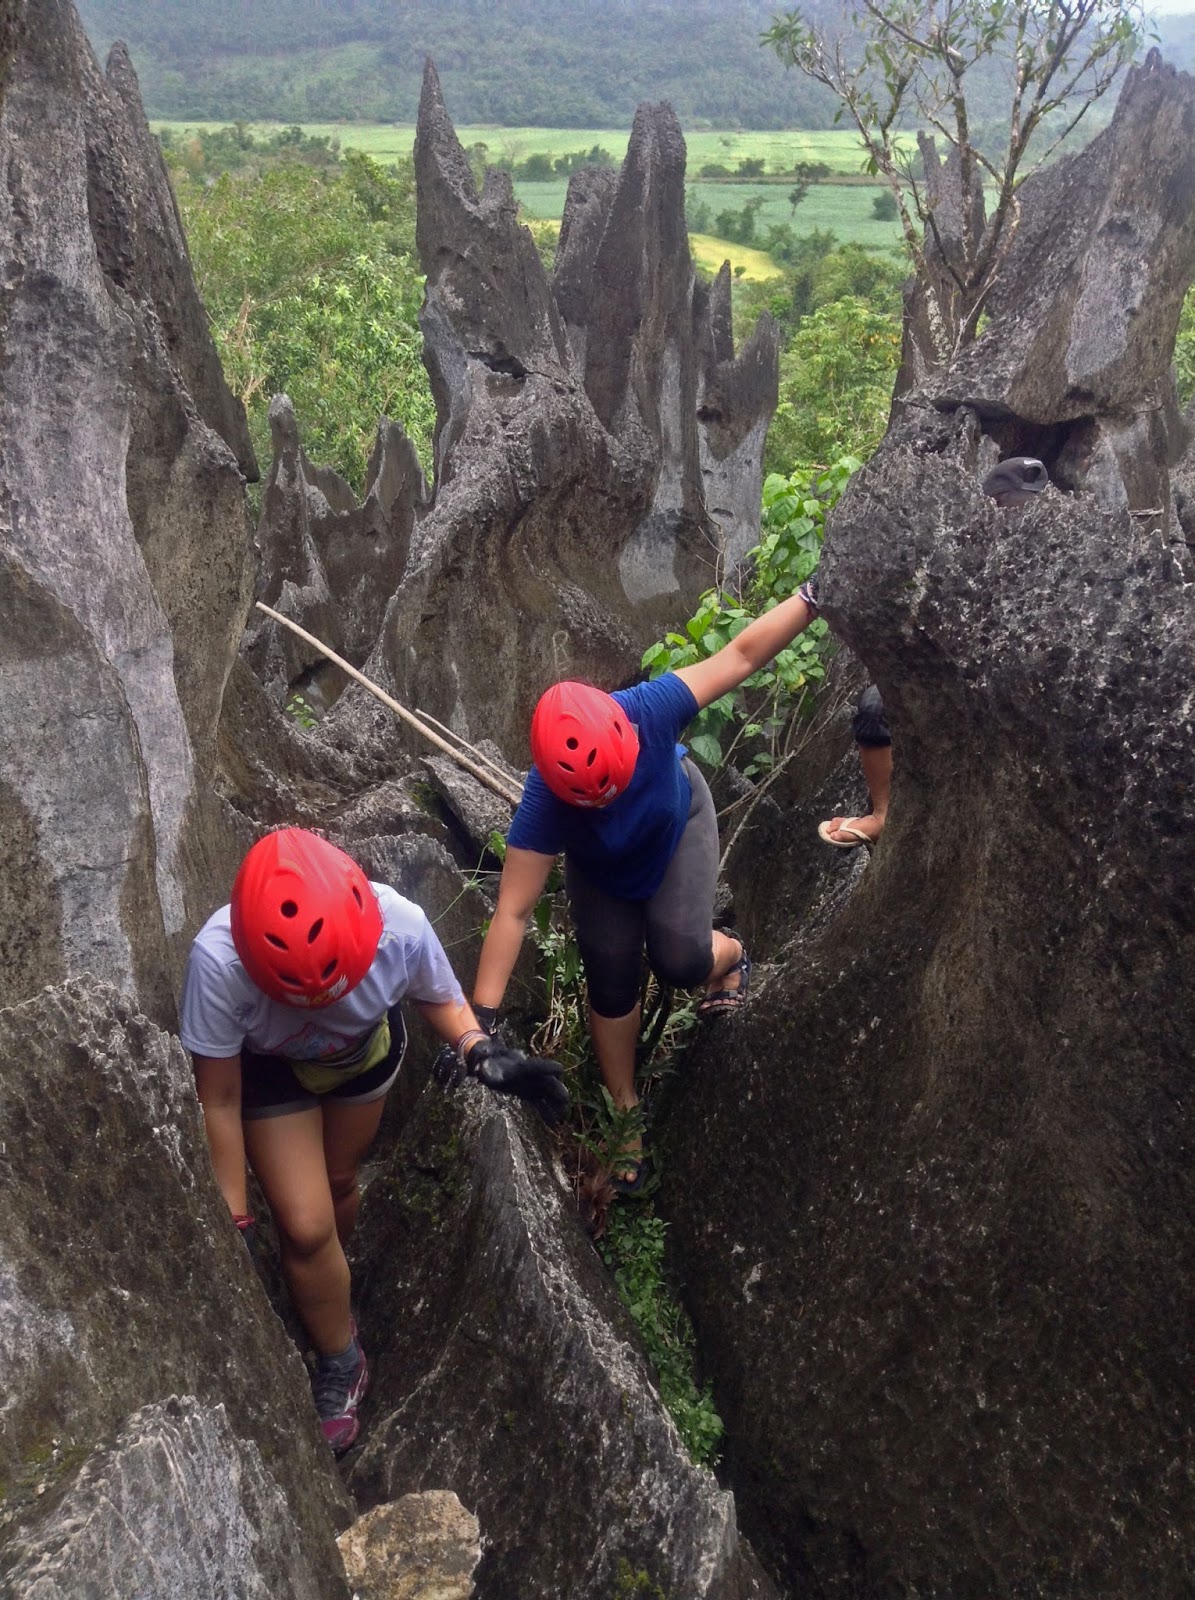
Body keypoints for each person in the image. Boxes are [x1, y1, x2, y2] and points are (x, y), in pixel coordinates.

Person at [180, 827, 566, 1454]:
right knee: (305, 1226)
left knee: (338, 1183)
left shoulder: (399, 926)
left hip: (364, 1056)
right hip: (273, 1073)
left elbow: (440, 998)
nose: (315, 1005)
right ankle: (341, 1355)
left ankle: (332, 1279)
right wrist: (236, 1217)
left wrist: (479, 1051)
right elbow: (220, 1097)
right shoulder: (219, 963)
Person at [470, 586, 819, 1193]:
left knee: (680, 958)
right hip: (604, 872)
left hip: (676, 827)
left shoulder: (650, 708)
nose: (604, 799)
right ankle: (626, 1113)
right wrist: (480, 1024)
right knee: (610, 985)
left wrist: (812, 599)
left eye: (612, 784)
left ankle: (729, 955)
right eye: (590, 797)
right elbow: (514, 909)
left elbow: (739, 655)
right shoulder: (544, 800)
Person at [814, 454, 1048, 850]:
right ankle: (883, 814)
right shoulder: (960, 556)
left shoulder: (1060, 556)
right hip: (955, 680)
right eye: (1011, 509)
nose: (1019, 521)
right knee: (874, 705)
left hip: (1022, 685)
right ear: (988, 508)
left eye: (1030, 511)